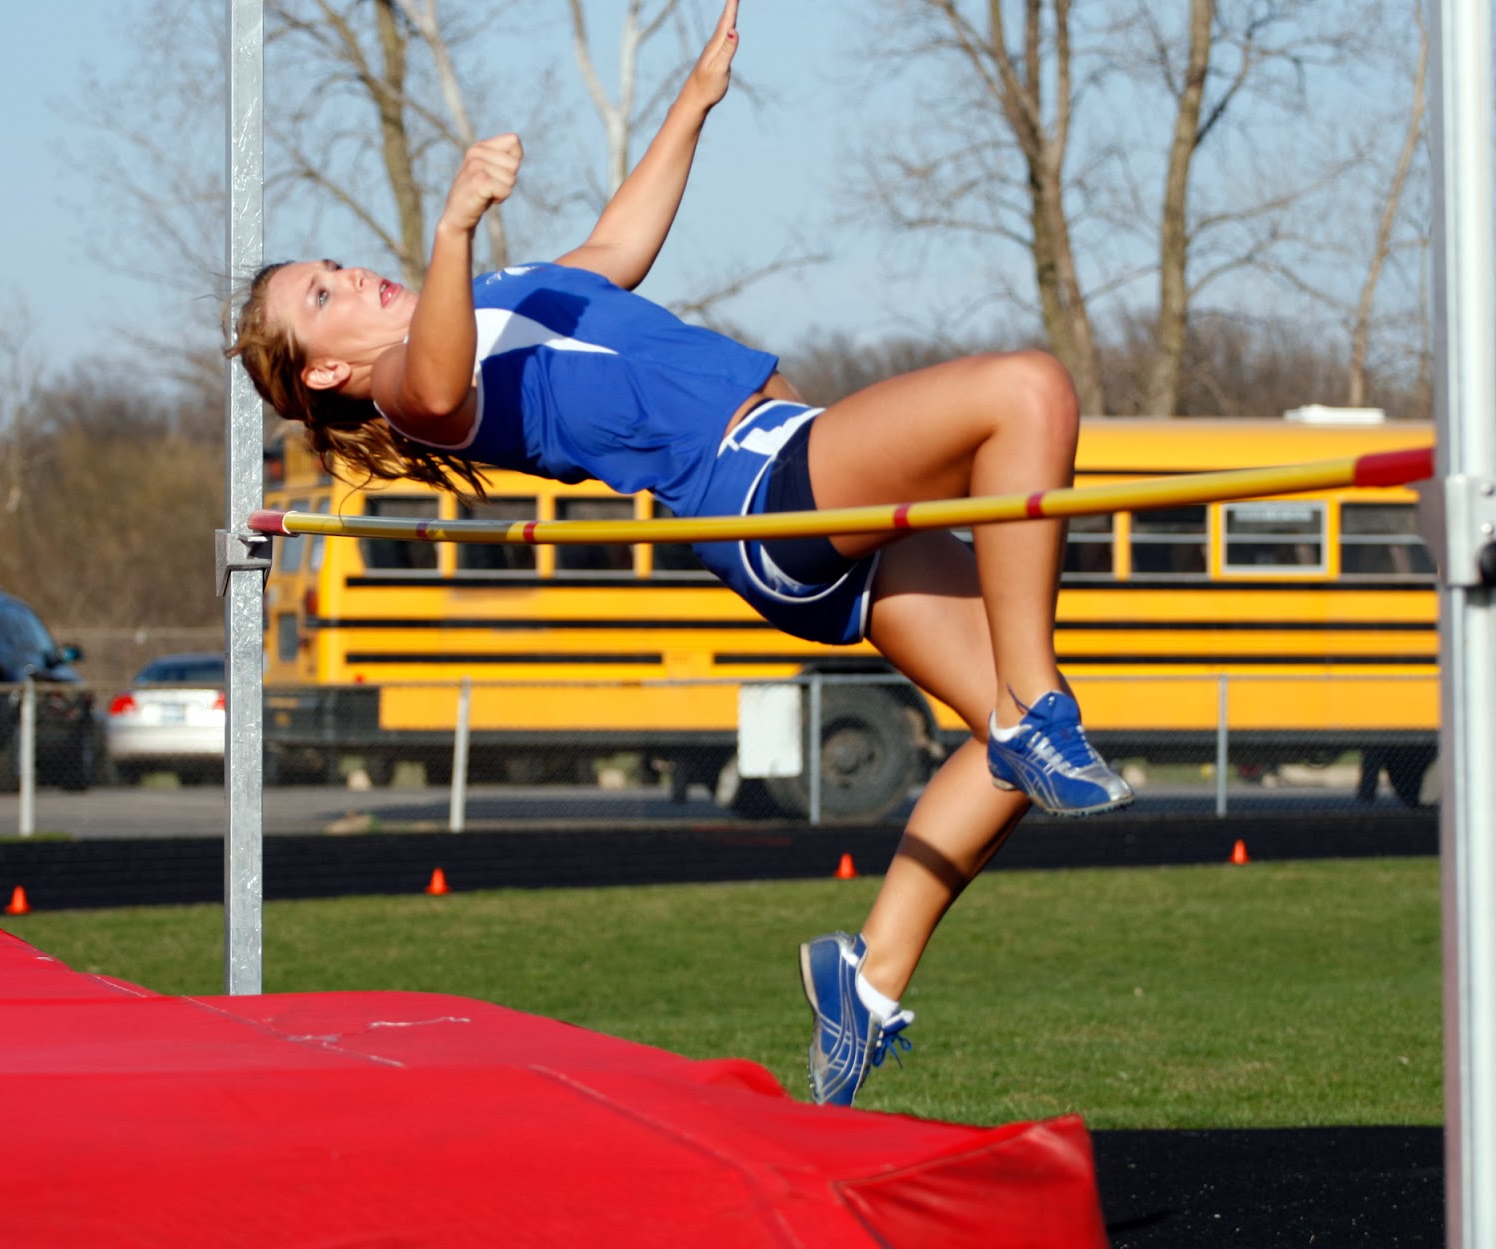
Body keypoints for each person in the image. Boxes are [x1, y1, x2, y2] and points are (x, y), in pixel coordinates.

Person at [229, 0, 1132, 1109]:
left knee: (994, 738)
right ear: (323, 373)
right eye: (322, 297)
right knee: (1026, 388)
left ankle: (868, 973)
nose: (350, 275)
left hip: (795, 493)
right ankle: (1041, 706)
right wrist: (454, 222)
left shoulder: (508, 299)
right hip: (758, 489)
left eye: (332, 262)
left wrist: (691, 105)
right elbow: (438, 377)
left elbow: (616, 247)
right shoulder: (422, 393)